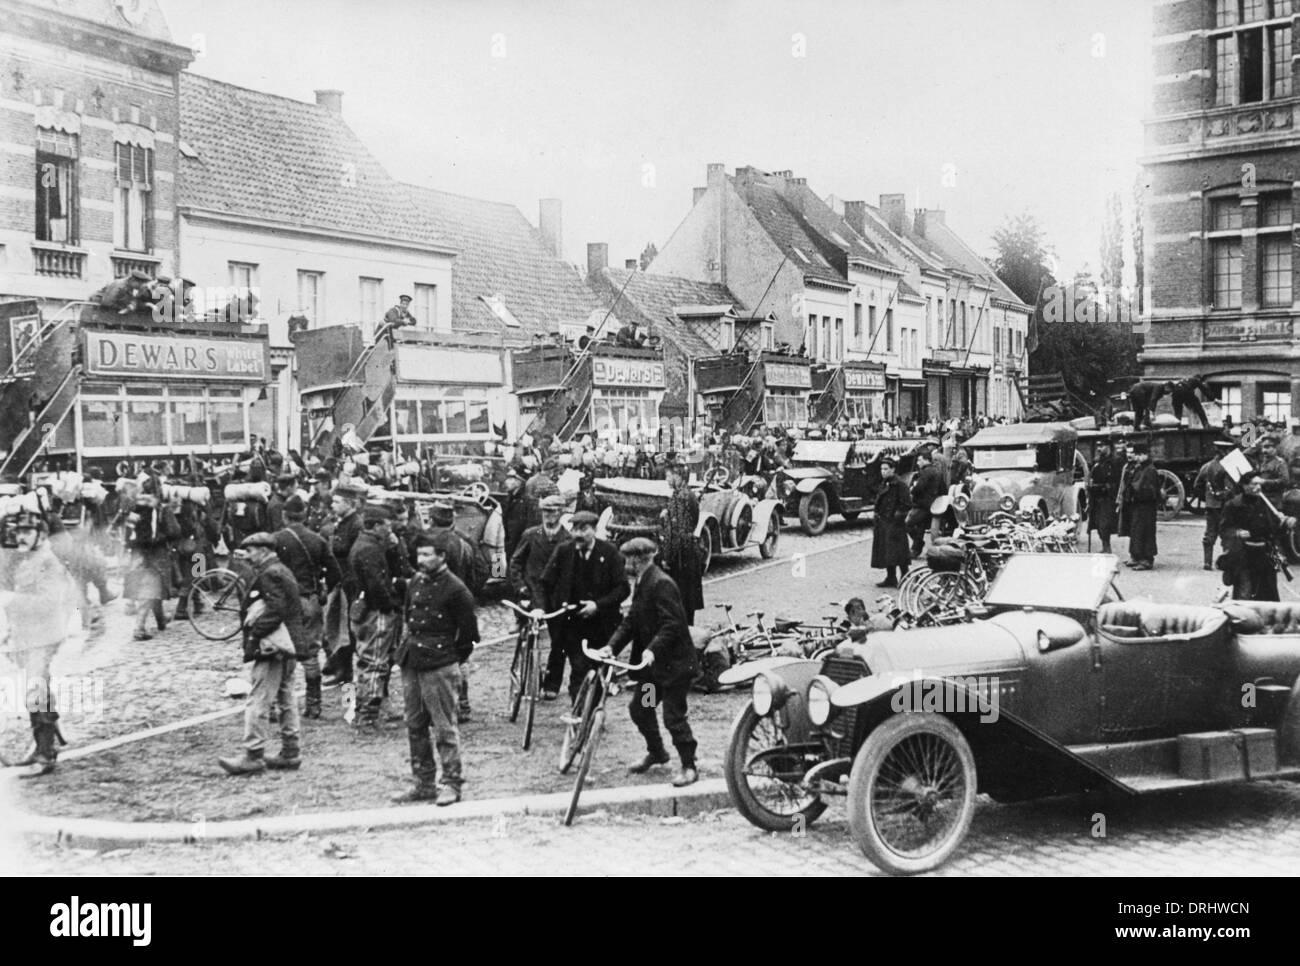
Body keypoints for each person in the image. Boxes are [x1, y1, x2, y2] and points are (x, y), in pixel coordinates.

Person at [601, 537, 700, 788]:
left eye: (628, 559)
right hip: (655, 671)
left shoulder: (661, 584)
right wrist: (611, 647)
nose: (625, 564)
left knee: (673, 717)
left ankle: (689, 766)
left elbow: (673, 624)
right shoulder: (644, 582)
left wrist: (652, 650)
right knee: (642, 708)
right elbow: (632, 621)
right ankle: (657, 752)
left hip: (675, 668)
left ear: (638, 559)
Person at [392, 532, 479, 805]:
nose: (422, 560)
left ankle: (452, 783)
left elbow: (468, 636)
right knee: (415, 723)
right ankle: (423, 783)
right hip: (413, 661)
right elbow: (408, 617)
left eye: (428, 555)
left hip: (440, 665)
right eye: (419, 555)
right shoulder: (416, 581)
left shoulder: (456, 589)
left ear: (442, 557)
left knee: (443, 727)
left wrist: (449, 661)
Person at [218, 532, 308, 775]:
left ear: (264, 551)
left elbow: (275, 609)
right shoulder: (281, 570)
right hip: (289, 645)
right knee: (286, 699)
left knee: (259, 699)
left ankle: (253, 755)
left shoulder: (270, 574)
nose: (247, 556)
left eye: (251, 551)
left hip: (273, 645)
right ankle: (290, 752)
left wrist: (255, 634)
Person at [0, 512, 78, 777]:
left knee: (35, 690)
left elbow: (48, 603)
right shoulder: (24, 558)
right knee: (38, 686)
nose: (20, 536)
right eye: (18, 531)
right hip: (27, 635)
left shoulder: (48, 562)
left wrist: (10, 600)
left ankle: (46, 754)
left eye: (27, 532)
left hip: (45, 634)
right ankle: (47, 740)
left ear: (41, 536)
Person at [540, 510, 628, 700]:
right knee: (579, 670)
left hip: (602, 625)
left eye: (583, 529)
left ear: (595, 530)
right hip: (572, 624)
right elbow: (546, 582)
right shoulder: (563, 550)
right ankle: (579, 716)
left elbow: (623, 589)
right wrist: (548, 612)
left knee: (599, 673)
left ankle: (594, 714)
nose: (577, 534)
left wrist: (598, 605)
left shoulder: (609, 552)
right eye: (574, 529)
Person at [274, 495, 341, 718]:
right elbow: (334, 573)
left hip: (283, 602)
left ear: (284, 516)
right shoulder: (317, 540)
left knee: (279, 651)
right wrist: (322, 593)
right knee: (310, 652)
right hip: (309, 600)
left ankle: (277, 705)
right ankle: (313, 705)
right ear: (305, 516)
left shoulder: (276, 539)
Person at [509, 494, 571, 694]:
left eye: (553, 512)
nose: (548, 516)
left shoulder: (567, 539)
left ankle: (552, 685)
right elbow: (515, 562)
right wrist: (520, 587)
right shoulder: (531, 535)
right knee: (528, 634)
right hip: (532, 593)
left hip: (556, 597)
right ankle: (525, 671)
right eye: (545, 511)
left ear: (560, 513)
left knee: (560, 642)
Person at [348, 505, 401, 726]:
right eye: (387, 525)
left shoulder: (364, 544)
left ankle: (362, 709)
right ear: (376, 525)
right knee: (375, 661)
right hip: (375, 611)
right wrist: (391, 605)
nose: (390, 530)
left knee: (367, 660)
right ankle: (368, 715)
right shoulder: (370, 549)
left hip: (364, 609)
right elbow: (377, 586)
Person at [1221, 471, 1297, 601]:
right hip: (1244, 556)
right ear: (1245, 486)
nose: (1259, 487)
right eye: (1254, 484)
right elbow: (1224, 529)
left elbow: (1273, 529)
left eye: (1259, 483)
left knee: (1269, 593)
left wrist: (1284, 522)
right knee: (1245, 593)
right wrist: (1236, 533)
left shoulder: (1264, 503)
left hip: (1265, 554)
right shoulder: (1234, 505)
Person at [124, 477, 181, 640]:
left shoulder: (136, 508)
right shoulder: (162, 509)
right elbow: (174, 531)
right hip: (156, 552)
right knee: (150, 589)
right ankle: (139, 628)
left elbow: (129, 531)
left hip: (137, 552)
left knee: (153, 587)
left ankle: (161, 620)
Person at [322, 481, 366, 686]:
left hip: (350, 583)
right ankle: (340, 666)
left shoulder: (356, 525)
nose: (333, 505)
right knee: (337, 625)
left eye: (337, 502)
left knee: (347, 628)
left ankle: (345, 670)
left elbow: (356, 556)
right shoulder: (342, 522)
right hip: (339, 582)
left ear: (350, 504)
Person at [661, 458, 704, 625]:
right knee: (686, 602)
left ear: (677, 477)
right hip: (687, 551)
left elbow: (676, 531)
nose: (666, 479)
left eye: (668, 476)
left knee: (682, 603)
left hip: (681, 556)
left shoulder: (681, 497)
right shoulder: (685, 494)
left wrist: (667, 557)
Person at [1192, 441, 1237, 571]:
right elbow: (1235, 487)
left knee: (1210, 533)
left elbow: (1197, 486)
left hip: (1212, 505)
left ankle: (1207, 562)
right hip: (1227, 506)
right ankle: (1226, 561)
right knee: (1227, 533)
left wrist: (1207, 499)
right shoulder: (1230, 467)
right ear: (1225, 452)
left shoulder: (1206, 467)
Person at [871, 456, 911, 587]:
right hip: (883, 522)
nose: (883, 471)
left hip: (894, 523)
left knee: (899, 552)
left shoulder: (900, 485)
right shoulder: (884, 483)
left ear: (893, 469)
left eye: (886, 469)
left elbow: (906, 504)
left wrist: (896, 518)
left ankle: (905, 576)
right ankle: (891, 577)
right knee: (887, 552)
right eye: (881, 469)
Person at [1121, 443, 1161, 570]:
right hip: (1138, 505)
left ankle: (1147, 559)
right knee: (1136, 530)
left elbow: (1150, 490)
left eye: (1139, 455)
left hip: (1146, 506)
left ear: (1146, 455)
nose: (1137, 457)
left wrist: (1136, 492)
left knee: (1146, 532)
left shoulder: (1150, 470)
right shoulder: (1141, 468)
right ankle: (1137, 556)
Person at [906, 450, 946, 558]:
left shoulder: (925, 472)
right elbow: (943, 489)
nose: (918, 463)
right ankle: (915, 550)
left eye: (919, 460)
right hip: (933, 505)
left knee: (908, 524)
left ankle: (918, 544)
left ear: (925, 460)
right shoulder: (937, 471)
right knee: (920, 527)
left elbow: (918, 487)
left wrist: (912, 489)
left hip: (922, 504)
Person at [1087, 440, 1123, 554]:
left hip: (1108, 498)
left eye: (1102, 446)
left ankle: (1107, 547)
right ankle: (1105, 545)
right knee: (1097, 523)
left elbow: (1118, 481)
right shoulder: (1097, 462)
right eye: (1098, 446)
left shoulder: (1115, 462)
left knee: (1105, 524)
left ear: (1108, 447)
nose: (1099, 448)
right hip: (1097, 497)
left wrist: (1106, 487)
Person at [500, 466, 530, 560]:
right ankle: (497, 575)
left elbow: (517, 528)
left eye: (511, 478)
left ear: (519, 481)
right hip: (504, 541)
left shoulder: (525, 502)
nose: (507, 481)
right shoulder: (509, 499)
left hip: (515, 545)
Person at [1252, 435, 1291, 501]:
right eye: (1263, 447)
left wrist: (1264, 482)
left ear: (1275, 448)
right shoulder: (1262, 461)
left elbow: (1285, 481)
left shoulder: (1280, 463)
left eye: (1267, 447)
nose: (1264, 450)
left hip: (1274, 498)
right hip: (1261, 495)